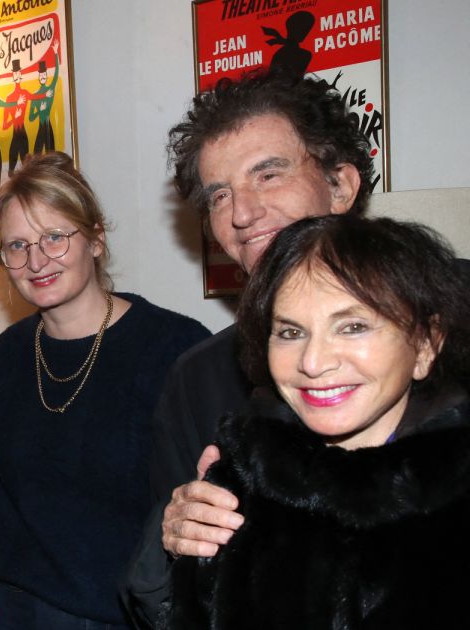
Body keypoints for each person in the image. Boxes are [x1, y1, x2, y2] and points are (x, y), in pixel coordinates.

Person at [122, 69, 375, 627]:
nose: (240, 213)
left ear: (340, 185)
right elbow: (157, 603)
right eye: (220, 194)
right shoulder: (198, 378)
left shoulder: (450, 316)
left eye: (268, 173)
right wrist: (171, 542)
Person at [165, 214, 470, 628]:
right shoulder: (241, 482)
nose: (313, 362)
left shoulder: (454, 485)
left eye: (353, 327)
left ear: (425, 345)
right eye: (290, 333)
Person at [0, 152, 208, 630]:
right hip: (18, 609)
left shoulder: (175, 348)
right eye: (17, 245)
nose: (36, 260)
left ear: (97, 240)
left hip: (126, 615)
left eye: (55, 238)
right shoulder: (8, 353)